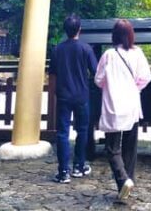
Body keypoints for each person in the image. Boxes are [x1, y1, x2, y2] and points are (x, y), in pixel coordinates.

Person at [94, 19, 151, 204]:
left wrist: (111, 85)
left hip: (114, 105)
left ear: (114, 35)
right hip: (132, 104)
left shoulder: (109, 55)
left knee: (112, 148)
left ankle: (123, 180)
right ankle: (128, 182)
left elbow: (98, 79)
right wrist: (134, 88)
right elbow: (145, 78)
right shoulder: (138, 53)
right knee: (130, 146)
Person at [48, 14, 98, 183]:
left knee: (62, 132)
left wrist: (53, 94)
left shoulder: (57, 50)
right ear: (79, 30)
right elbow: (96, 71)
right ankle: (79, 166)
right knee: (82, 130)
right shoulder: (86, 49)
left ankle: (63, 172)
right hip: (82, 95)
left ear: (65, 30)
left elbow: (52, 76)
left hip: (63, 95)